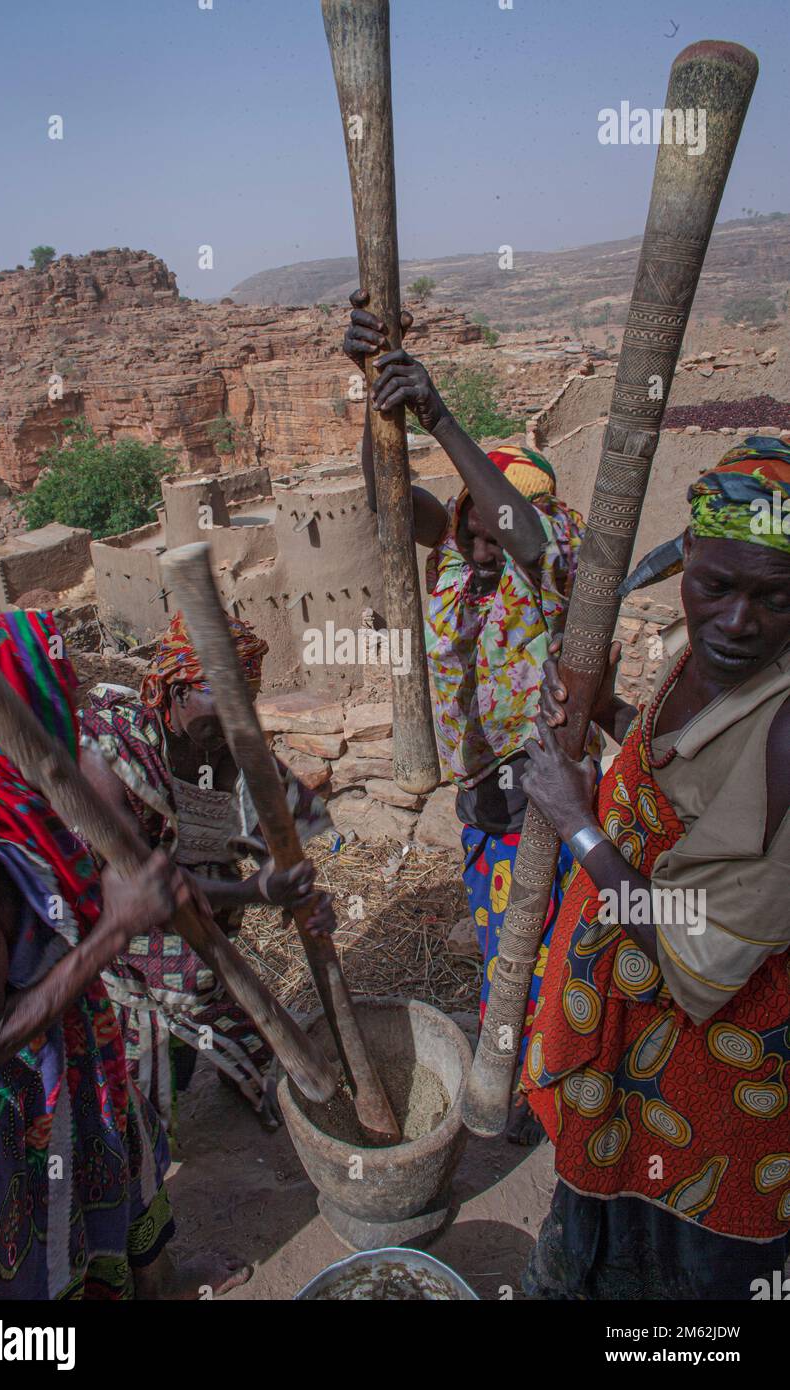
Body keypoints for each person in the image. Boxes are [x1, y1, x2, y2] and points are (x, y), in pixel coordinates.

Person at [519, 436, 790, 1299]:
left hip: (711, 1076)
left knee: (685, 1296)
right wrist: (609, 713)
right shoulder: (706, 666)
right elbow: (695, 782)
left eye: (775, 598)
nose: (740, 621)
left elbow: (706, 955)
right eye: (717, 587)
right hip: (632, 1051)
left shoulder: (787, 733)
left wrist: (578, 827)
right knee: (601, 1241)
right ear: (687, 561)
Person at [0, 610, 239, 1299]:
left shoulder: (20, 799)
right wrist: (115, 933)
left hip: (73, 1045)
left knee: (123, 1181)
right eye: (58, 703)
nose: (75, 720)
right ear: (14, 712)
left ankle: (160, 1284)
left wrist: (265, 887)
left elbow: (128, 884)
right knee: (28, 1267)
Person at [345, 290, 594, 1142]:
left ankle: (557, 1098)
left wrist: (441, 414)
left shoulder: (546, 566)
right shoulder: (460, 554)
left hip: (545, 799)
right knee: (503, 951)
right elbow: (389, 497)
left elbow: (521, 529)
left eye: (493, 535)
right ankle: (513, 1089)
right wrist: (372, 390)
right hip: (483, 800)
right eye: (473, 534)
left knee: (552, 953)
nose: (484, 550)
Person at [79, 611, 335, 1133]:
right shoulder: (112, 749)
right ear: (175, 689)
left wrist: (300, 890)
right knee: (183, 998)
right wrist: (255, 891)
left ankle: (222, 1070)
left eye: (243, 702)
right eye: (218, 698)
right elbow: (140, 887)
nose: (234, 718)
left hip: (207, 907)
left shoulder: (232, 742)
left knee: (209, 998)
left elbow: (281, 838)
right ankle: (152, 1113)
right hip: (119, 925)